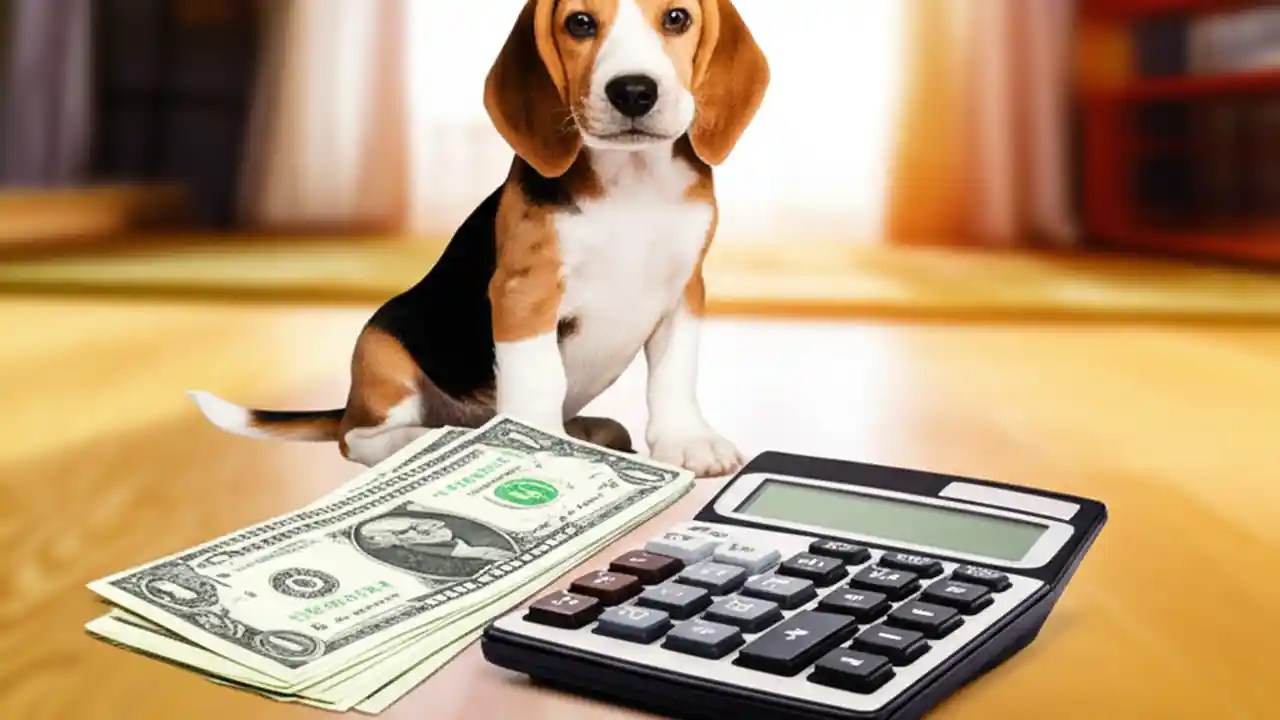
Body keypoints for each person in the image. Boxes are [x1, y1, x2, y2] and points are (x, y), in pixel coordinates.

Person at [360, 516, 515, 562]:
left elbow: (422, 524)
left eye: (377, 540)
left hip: (447, 532)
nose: (382, 543)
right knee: (479, 553)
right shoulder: (408, 543)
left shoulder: (375, 528)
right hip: (445, 544)